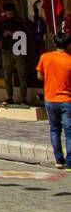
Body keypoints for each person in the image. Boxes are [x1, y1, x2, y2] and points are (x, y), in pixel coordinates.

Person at [37, 32, 71, 168]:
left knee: (55, 130)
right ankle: (70, 162)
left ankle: (59, 161)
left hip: (50, 99)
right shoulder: (69, 60)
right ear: (68, 45)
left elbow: (39, 76)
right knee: (69, 132)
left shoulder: (45, 57)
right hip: (67, 100)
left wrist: (51, 78)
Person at [0, 3, 31, 106]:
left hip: (19, 50)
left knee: (22, 74)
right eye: (8, 12)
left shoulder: (19, 22)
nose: (10, 14)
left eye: (11, 12)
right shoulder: (1, 23)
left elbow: (27, 34)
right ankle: (9, 97)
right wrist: (4, 34)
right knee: (7, 75)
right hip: (6, 50)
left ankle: (24, 98)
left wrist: (17, 34)